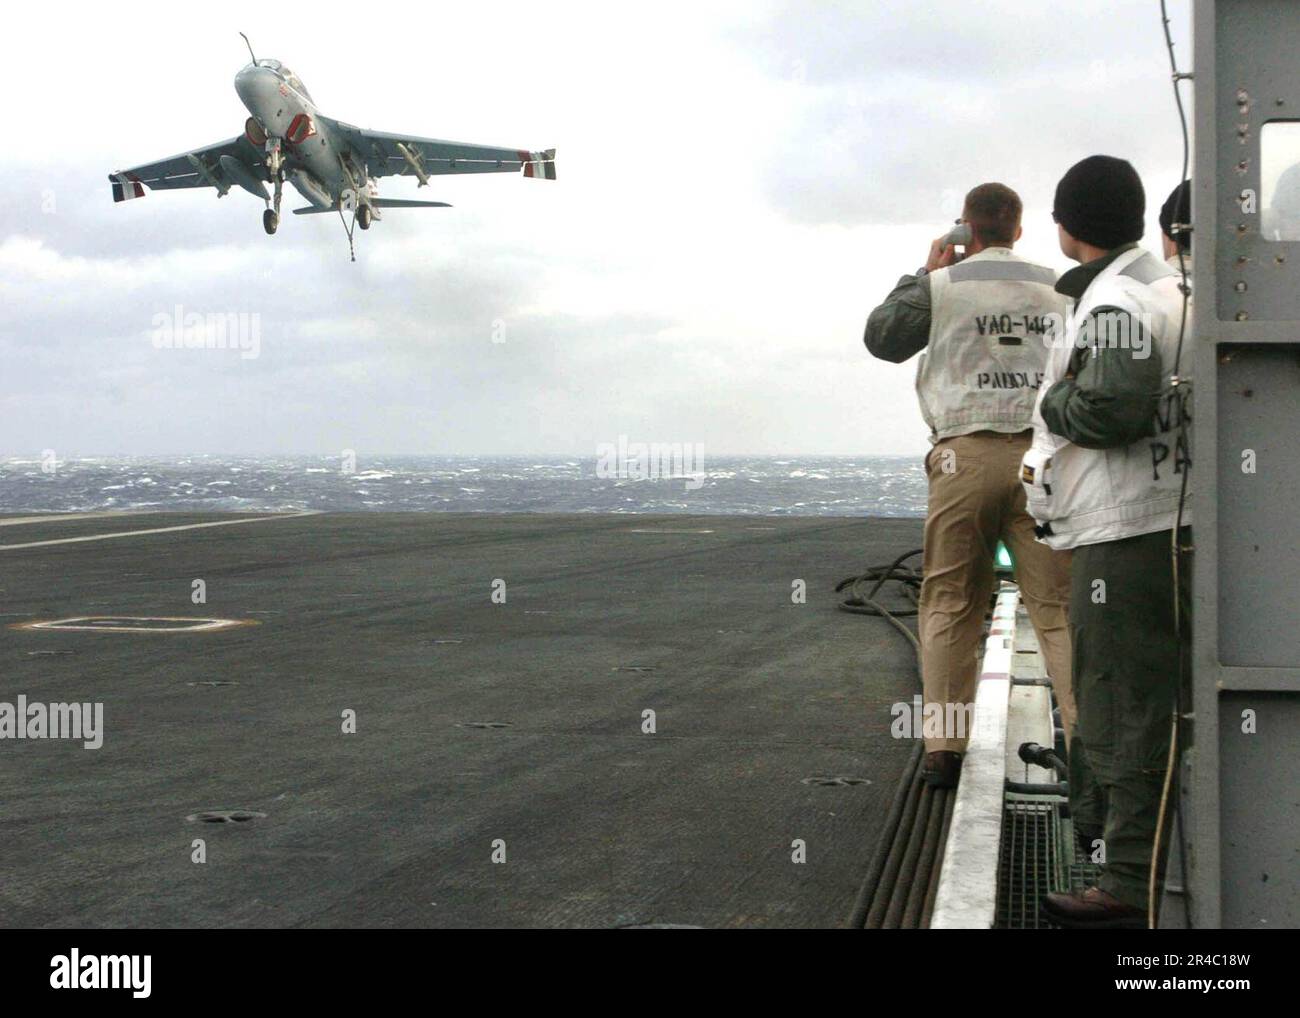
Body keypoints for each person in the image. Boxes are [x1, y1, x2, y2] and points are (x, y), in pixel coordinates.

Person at [1022, 158, 1192, 929]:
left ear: (1067, 224)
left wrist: (1052, 395)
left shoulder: (1117, 301)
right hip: (1171, 523)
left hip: (1125, 532)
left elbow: (1113, 409)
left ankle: (1125, 885)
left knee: (1122, 705)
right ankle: (1144, 861)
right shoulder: (1166, 286)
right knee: (1152, 703)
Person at [864, 182, 1075, 789]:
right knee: (1058, 610)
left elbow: (882, 340)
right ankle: (1087, 746)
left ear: (965, 229)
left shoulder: (940, 286)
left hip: (962, 457)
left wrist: (923, 272)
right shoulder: (1059, 288)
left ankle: (944, 750)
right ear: (1018, 227)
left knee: (951, 600)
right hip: (1044, 462)